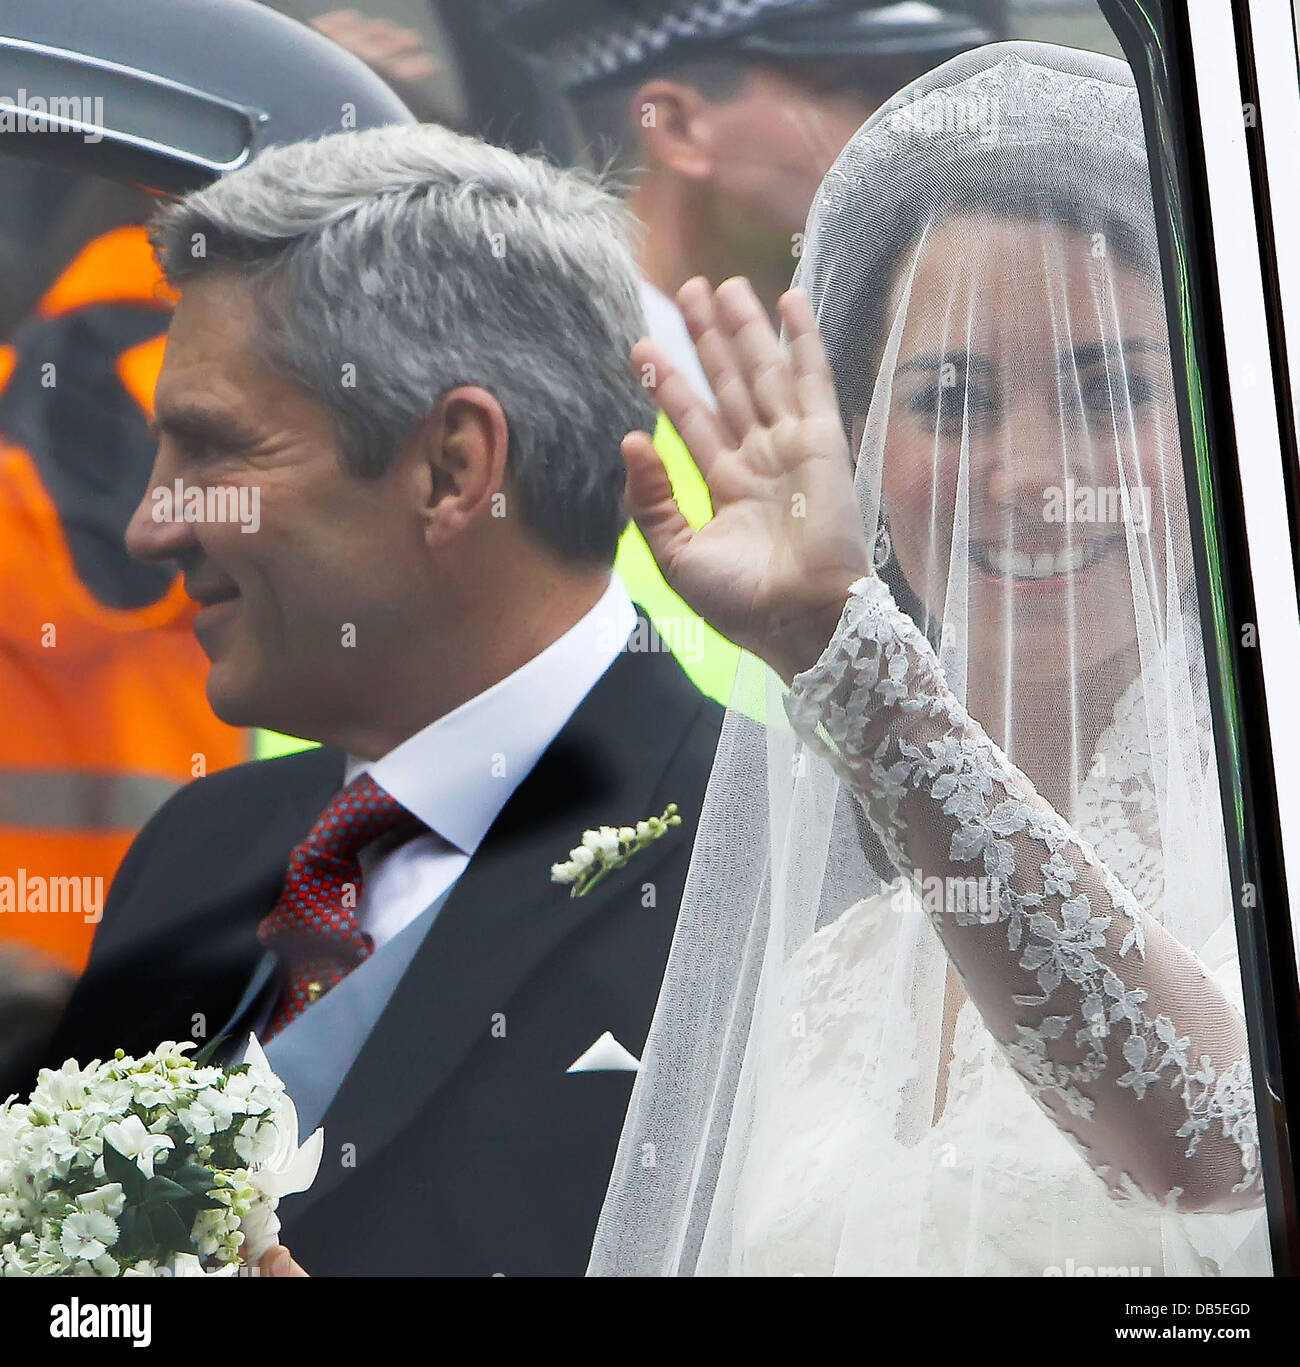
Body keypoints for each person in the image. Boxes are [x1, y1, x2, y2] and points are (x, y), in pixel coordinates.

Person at [590, 42, 1270, 1276]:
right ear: (861, 464)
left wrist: (849, 665)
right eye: (952, 403)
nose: (1030, 479)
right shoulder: (832, 976)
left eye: (1110, 391)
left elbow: (1210, 1151)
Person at [39, 122, 723, 1277]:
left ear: (453, 469)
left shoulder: (765, 865)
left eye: (211, 452)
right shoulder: (197, 846)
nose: (148, 524)